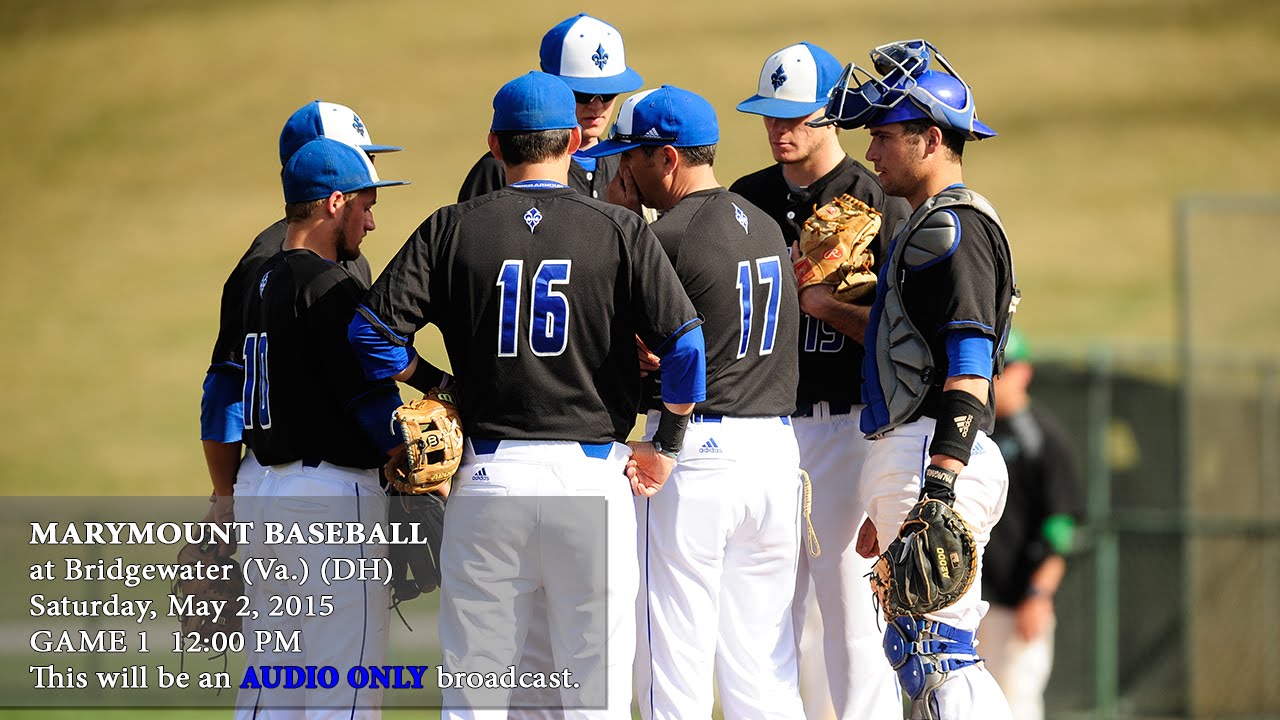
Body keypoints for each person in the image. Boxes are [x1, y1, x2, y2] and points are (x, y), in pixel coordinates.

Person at [347, 71, 706, 719]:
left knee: (476, 697)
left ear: (494, 144)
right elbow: (685, 346)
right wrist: (667, 446)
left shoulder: (452, 227)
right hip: (591, 481)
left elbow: (368, 337)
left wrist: (434, 382)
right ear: (573, 139)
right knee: (589, 698)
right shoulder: (619, 230)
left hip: (488, 483)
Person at [585, 85, 805, 720]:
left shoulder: (667, 238)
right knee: (764, 666)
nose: (624, 170)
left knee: (671, 662)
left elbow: (629, 347)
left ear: (669, 157)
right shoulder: (763, 222)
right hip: (774, 452)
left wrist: (628, 227)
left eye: (634, 157)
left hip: (697, 454)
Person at [817, 39, 1017, 718]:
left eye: (884, 137)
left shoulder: (954, 231)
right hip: (920, 453)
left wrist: (934, 488)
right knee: (929, 647)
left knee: (930, 651)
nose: (870, 154)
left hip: (936, 452)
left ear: (931, 139)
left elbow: (970, 367)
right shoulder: (934, 227)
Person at [730, 41, 910, 720]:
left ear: (833, 116)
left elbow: (900, 334)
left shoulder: (876, 198)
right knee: (764, 610)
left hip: (846, 425)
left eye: (797, 117)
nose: (782, 130)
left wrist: (826, 304)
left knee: (848, 609)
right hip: (765, 429)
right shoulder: (743, 201)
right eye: (771, 116)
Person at [236, 136, 411, 716]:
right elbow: (368, 401)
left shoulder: (262, 281)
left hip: (267, 498)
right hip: (331, 504)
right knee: (346, 694)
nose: (371, 221)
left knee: (271, 690)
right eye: (365, 204)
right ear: (334, 202)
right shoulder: (332, 287)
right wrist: (409, 449)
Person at [200, 100, 401, 542]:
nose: (367, 168)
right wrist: (224, 498)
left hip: (283, 484)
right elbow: (225, 389)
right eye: (359, 156)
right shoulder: (277, 263)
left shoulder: (336, 259)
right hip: (304, 481)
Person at [978, 329, 1085, 720]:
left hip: (1018, 600)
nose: (995, 377)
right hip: (972, 600)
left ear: (1026, 372)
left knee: (1017, 703)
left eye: (1004, 367)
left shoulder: (1043, 436)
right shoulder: (974, 431)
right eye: (992, 367)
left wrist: (1039, 595)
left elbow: (1061, 528)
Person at [456, 13, 642, 202]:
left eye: (608, 94)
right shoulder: (502, 166)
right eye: (583, 95)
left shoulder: (626, 163)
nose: (596, 106)